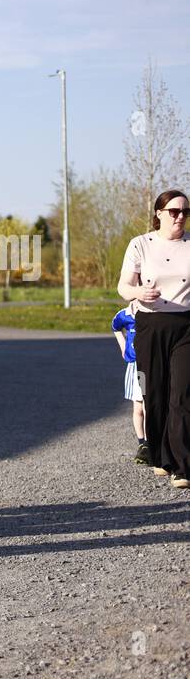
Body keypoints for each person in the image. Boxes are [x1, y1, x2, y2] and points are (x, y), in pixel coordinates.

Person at [117, 189, 190, 488]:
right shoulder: (140, 244)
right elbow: (124, 286)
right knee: (154, 392)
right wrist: (138, 293)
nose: (180, 217)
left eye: (186, 211)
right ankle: (160, 455)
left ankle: (182, 465)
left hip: (186, 325)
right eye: (174, 211)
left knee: (182, 393)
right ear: (159, 213)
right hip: (149, 325)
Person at [111, 301, 148, 465]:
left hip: (150, 365)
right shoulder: (124, 315)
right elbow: (115, 326)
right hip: (136, 368)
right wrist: (124, 347)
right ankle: (143, 444)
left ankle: (152, 441)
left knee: (149, 406)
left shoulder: (151, 313)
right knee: (138, 407)